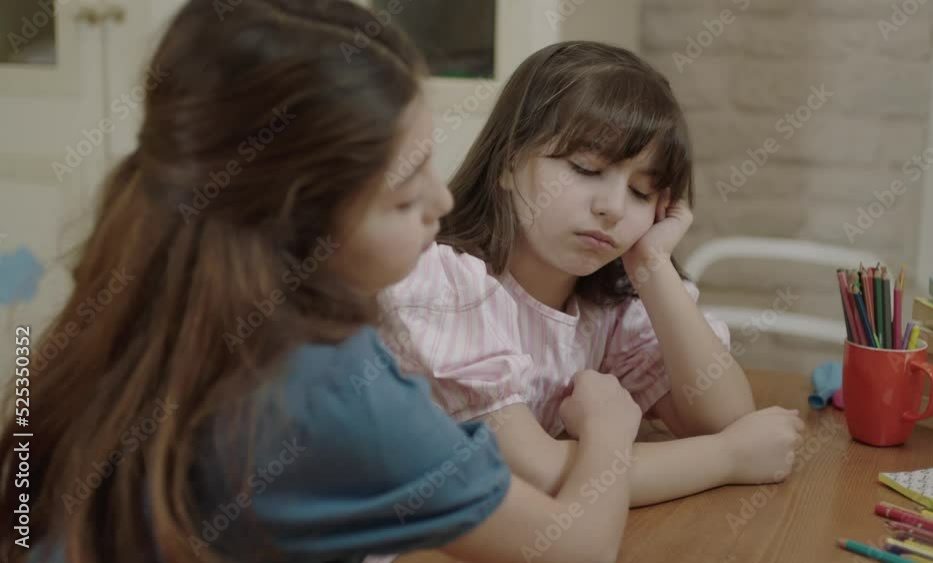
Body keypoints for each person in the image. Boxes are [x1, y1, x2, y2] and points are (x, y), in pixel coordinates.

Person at [0, 4, 643, 562]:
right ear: (299, 222)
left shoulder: (144, 283)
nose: (442, 200)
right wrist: (610, 426)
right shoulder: (330, 389)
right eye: (401, 196)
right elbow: (574, 547)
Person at [382, 41, 805, 508]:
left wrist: (651, 265)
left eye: (643, 193)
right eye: (585, 168)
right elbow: (534, 475)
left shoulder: (610, 302)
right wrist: (726, 458)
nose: (612, 207)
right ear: (506, 162)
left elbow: (724, 416)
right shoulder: (443, 286)